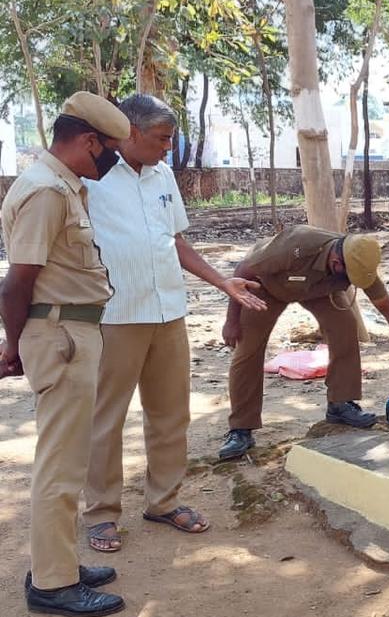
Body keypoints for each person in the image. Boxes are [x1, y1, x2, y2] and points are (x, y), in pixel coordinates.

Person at [81, 94, 268, 554]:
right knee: (106, 418)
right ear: (132, 133)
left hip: (169, 311)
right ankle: (101, 513)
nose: (170, 147)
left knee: (170, 414)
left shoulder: (163, 174)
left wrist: (221, 281)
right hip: (116, 314)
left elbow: (175, 241)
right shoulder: (91, 179)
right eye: (163, 138)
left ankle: (163, 501)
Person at [0, 92, 129, 617]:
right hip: (60, 336)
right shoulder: (47, 192)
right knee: (62, 464)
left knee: (68, 459)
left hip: (71, 332)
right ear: (87, 140)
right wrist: (15, 346)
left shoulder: (64, 187)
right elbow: (15, 284)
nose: (113, 160)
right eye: (110, 150)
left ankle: (60, 565)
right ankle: (53, 584)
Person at [217, 225, 389, 460]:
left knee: (345, 328)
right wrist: (232, 321)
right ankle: (241, 429)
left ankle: (340, 403)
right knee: (248, 349)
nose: (350, 282)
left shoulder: (358, 260)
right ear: (337, 262)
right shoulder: (296, 245)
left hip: (317, 290)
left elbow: (387, 307)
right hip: (266, 287)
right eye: (348, 278)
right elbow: (242, 271)